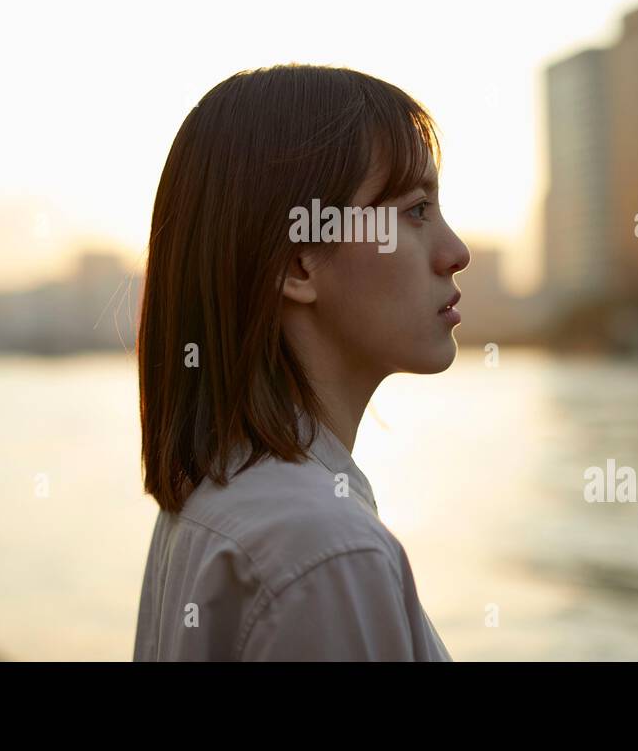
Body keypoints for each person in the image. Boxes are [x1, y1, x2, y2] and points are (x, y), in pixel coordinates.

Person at [132, 63, 469, 661]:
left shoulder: (216, 496)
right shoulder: (324, 550)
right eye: (416, 210)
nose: (455, 252)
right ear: (298, 264)